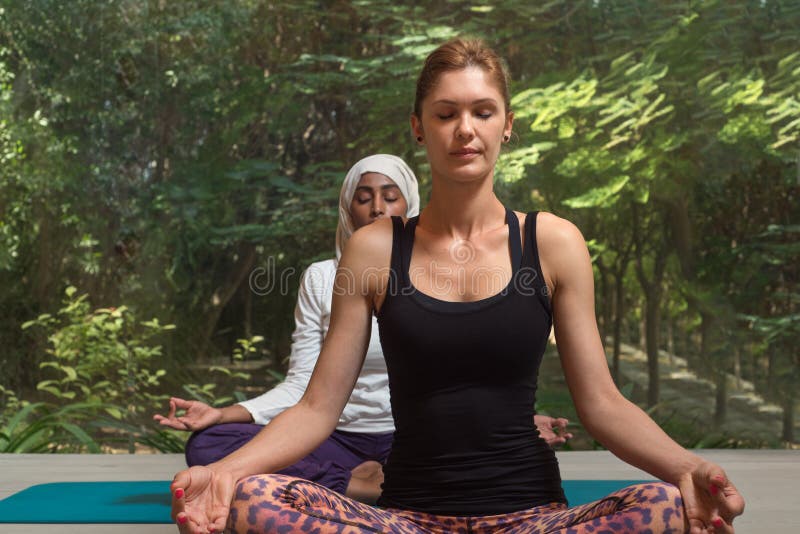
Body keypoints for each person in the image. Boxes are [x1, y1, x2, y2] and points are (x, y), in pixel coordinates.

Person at [170, 38, 744, 534]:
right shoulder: (374, 249)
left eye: (482, 111)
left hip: (533, 517)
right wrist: (225, 474)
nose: (464, 129)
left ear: (507, 124)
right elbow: (318, 407)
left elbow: (601, 405)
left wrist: (687, 467)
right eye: (445, 114)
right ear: (419, 127)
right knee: (252, 498)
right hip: (405, 520)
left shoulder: (553, 242)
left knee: (670, 505)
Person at [155, 154, 572, 504]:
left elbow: (462, 370)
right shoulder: (322, 278)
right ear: (347, 209)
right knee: (211, 444)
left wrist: (515, 420)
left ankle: (360, 484)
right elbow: (305, 389)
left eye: (390, 197)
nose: (377, 208)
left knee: (460, 450)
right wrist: (222, 414)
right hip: (333, 438)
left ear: (409, 204)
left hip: (412, 437)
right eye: (364, 198)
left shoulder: (442, 271)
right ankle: (357, 487)